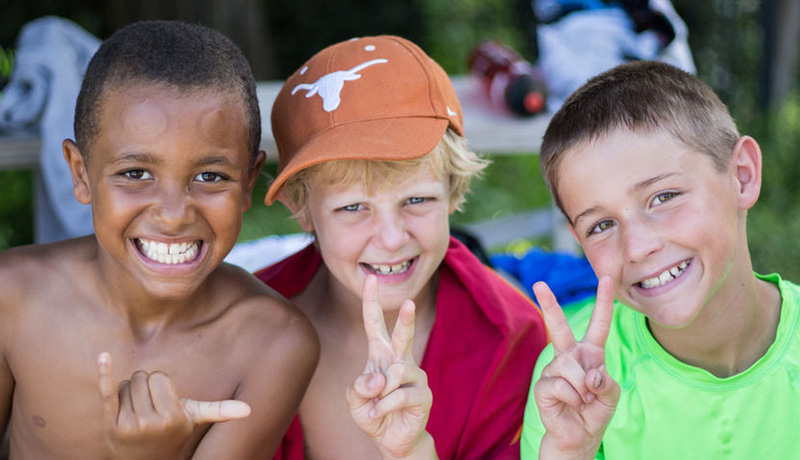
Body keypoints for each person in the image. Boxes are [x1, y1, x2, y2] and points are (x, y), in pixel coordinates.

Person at [0, 20, 319, 460]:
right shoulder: (12, 297)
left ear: (248, 183)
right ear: (80, 173)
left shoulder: (273, 343)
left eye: (210, 176)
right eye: (135, 174)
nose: (172, 215)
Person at [255, 35, 548, 460]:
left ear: (453, 190)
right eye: (353, 207)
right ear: (302, 209)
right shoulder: (244, 323)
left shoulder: (512, 337)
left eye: (416, 200)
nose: (392, 239)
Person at [520, 60, 800, 459]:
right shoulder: (573, 377)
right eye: (601, 225)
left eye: (663, 197)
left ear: (741, 175)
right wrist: (570, 451)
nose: (636, 247)